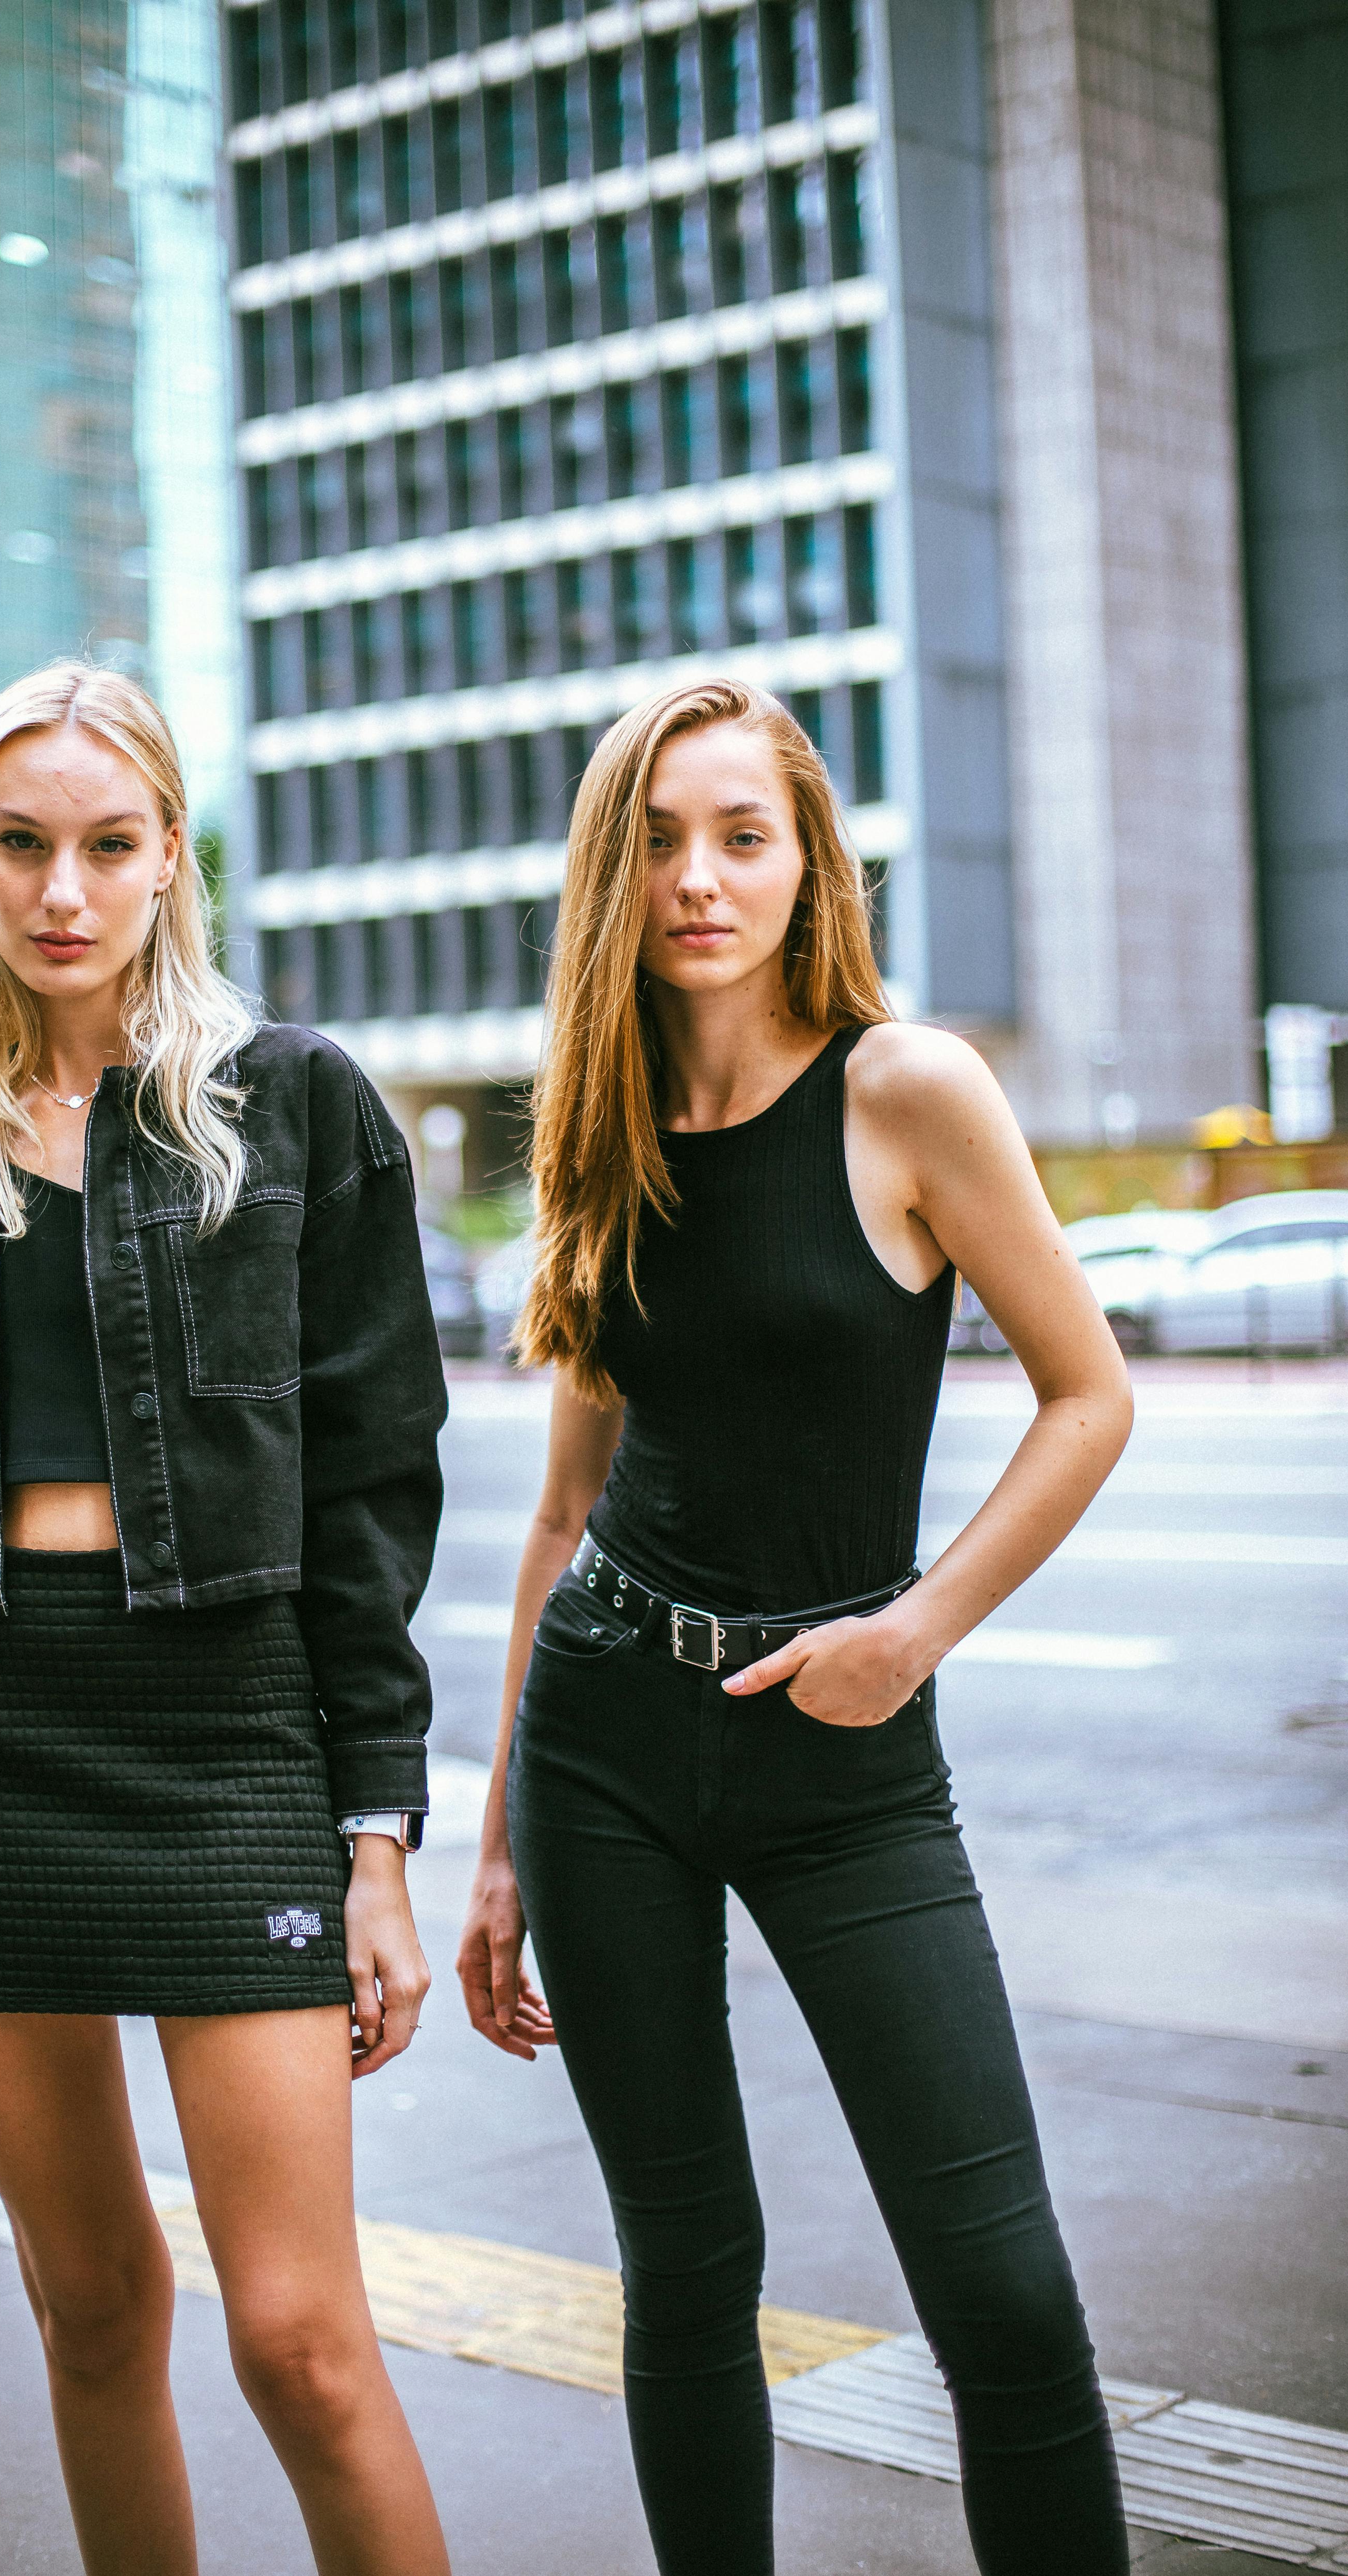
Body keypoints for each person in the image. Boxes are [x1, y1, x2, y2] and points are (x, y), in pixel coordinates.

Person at [457, 678, 1134, 2576]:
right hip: (603, 1741)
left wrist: (910, 1633)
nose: (698, 876)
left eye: (740, 833)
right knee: (683, 2274)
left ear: (805, 857)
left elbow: (1090, 1398)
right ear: (615, 876)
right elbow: (567, 1506)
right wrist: (500, 1836)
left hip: (848, 1756)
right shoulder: (603, 1125)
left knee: (1001, 2296)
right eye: (658, 839)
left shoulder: (907, 1087)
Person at [0, 662, 452, 2576]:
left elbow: (372, 1497)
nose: (63, 890)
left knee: (303, 2342)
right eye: (22, 847)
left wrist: (378, 1832)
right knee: (90, 2306)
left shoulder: (299, 1114)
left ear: (171, 858)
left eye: (107, 844)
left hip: (227, 1732)